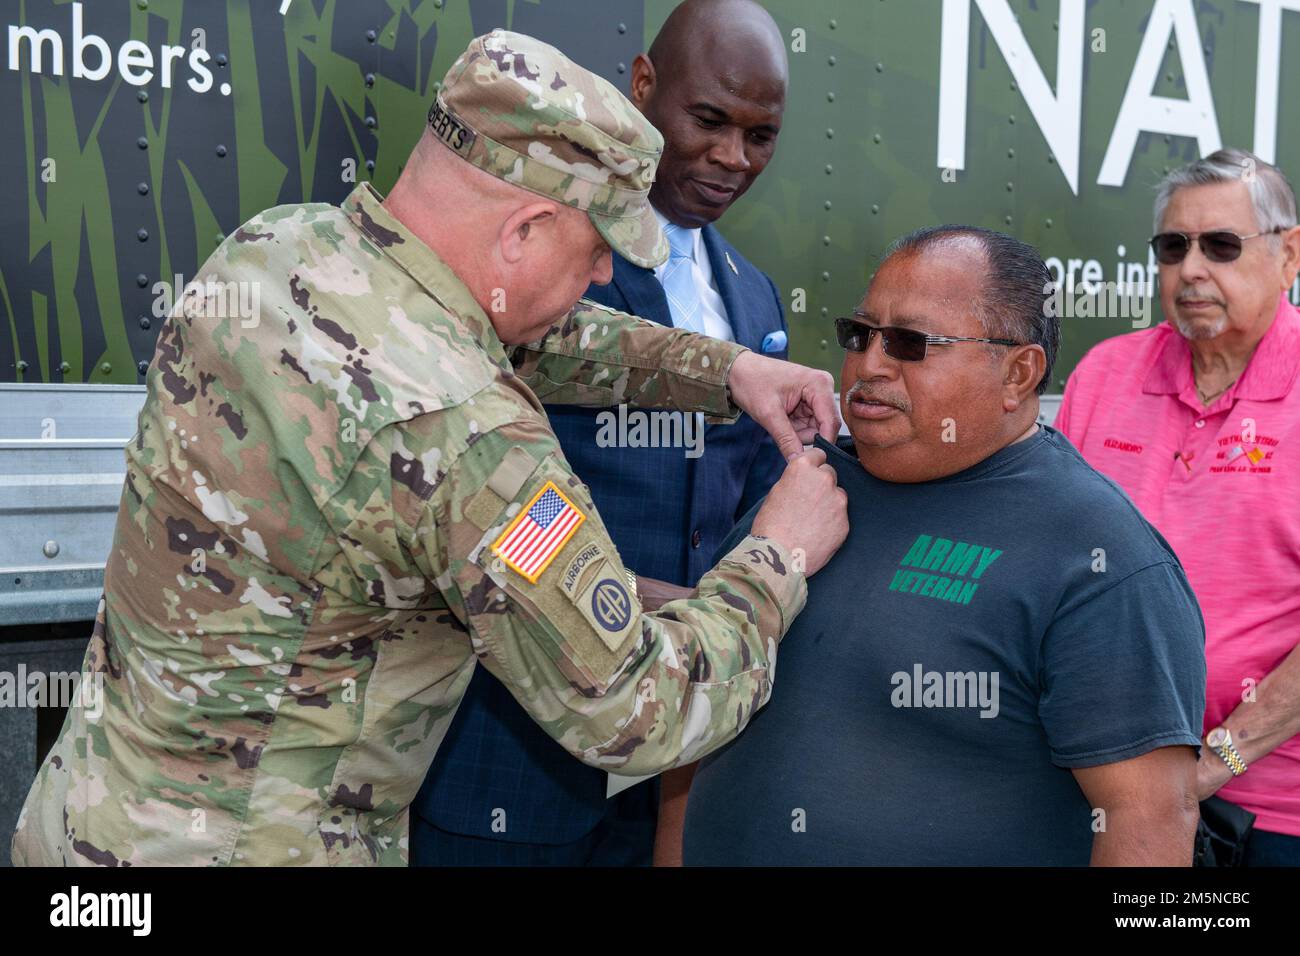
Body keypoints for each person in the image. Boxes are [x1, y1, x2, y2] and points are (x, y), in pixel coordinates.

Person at [9, 30, 849, 868]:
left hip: (84, 831)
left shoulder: (277, 252)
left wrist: (725, 370)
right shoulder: (475, 441)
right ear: (524, 229)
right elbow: (634, 707)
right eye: (596, 251)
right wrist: (778, 556)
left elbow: (490, 334)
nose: (601, 278)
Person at [671, 226, 1207, 866]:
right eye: (860, 334)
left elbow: (1149, 817)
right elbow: (701, 711)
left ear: (1018, 372)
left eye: (910, 343)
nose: (870, 364)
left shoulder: (1098, 556)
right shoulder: (804, 491)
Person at [411, 0, 792, 867]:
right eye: (709, 120)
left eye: (760, 134)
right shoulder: (477, 370)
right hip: (515, 757)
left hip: (675, 765)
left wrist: (732, 374)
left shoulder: (757, 299)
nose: (733, 157)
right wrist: (758, 570)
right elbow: (617, 686)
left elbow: (569, 345)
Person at [1056, 148, 1300, 866]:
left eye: (1221, 245)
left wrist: (1208, 770)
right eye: (1173, 246)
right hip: (1101, 788)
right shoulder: (1105, 374)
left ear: (1290, 257)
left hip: (1270, 812)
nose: (1191, 268)